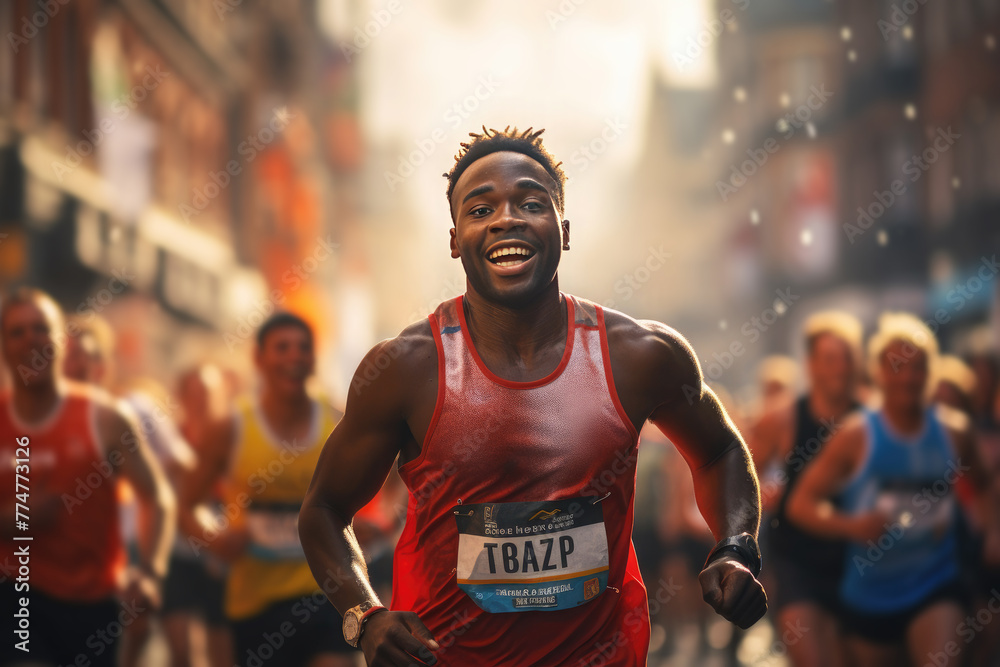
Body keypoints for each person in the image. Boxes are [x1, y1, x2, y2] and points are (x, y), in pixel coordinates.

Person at [299, 127, 767, 666]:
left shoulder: (640, 356)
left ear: (563, 231)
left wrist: (736, 546)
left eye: (530, 203)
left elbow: (720, 450)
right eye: (480, 210)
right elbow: (323, 510)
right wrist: (364, 616)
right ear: (454, 240)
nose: (506, 220)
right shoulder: (405, 369)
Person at [788, 312, 981, 667]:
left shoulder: (955, 432)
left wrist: (989, 532)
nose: (908, 377)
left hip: (936, 583)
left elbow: (983, 489)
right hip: (870, 597)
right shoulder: (855, 435)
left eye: (918, 367)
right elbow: (800, 504)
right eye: (897, 367)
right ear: (878, 373)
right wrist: (851, 526)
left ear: (931, 372)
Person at [0, 287, 176, 667]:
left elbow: (157, 496)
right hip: (16, 593)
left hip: (93, 601)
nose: (30, 340)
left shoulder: (106, 418)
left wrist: (149, 571)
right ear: (4, 347)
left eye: (41, 329)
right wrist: (11, 521)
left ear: (61, 341)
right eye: (17, 332)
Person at [178, 312, 354, 667]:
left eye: (303, 348)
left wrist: (377, 523)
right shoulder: (231, 427)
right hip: (255, 599)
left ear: (314, 359)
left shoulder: (338, 422)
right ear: (259, 359)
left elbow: (391, 477)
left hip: (326, 591)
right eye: (282, 348)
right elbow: (186, 505)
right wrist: (214, 538)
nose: (294, 356)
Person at [750, 311, 863, 667]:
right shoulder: (782, 419)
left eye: (846, 358)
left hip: (858, 561)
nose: (839, 368)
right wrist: (762, 493)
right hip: (796, 560)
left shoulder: (870, 419)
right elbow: (743, 473)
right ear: (811, 364)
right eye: (830, 359)